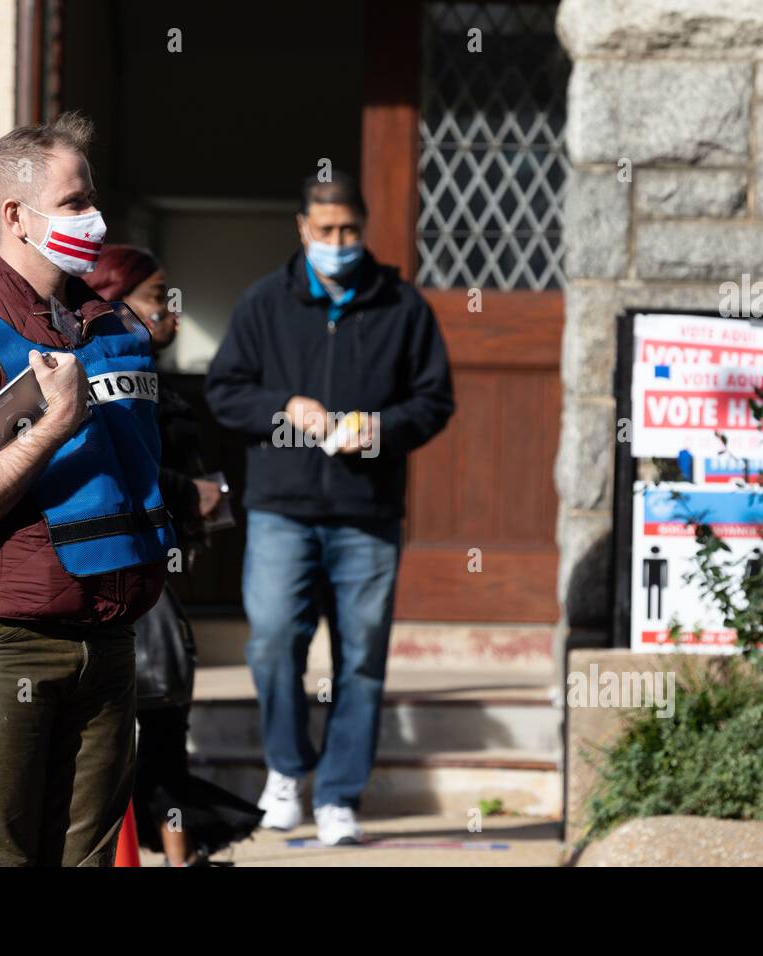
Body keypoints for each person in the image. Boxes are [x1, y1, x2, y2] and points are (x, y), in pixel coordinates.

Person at [0, 112, 173, 866]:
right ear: (17, 216)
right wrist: (47, 431)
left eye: (90, 198)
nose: (95, 217)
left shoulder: (113, 325)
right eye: (76, 202)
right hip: (1, 639)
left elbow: (129, 467)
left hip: (109, 635)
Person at [204, 172, 454, 846]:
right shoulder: (264, 302)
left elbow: (434, 401)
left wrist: (380, 429)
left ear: (363, 229)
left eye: (348, 232)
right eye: (325, 231)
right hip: (283, 507)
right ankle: (286, 771)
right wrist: (284, 406)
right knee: (273, 641)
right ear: (302, 229)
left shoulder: (402, 305)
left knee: (362, 657)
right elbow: (225, 390)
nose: (337, 243)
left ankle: (341, 794)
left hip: (366, 512)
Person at [87, 245, 262, 866]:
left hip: (156, 572)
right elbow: (113, 476)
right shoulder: (102, 383)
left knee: (164, 730)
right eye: (159, 298)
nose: (174, 315)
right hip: (118, 580)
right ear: (113, 300)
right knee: (147, 725)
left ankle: (181, 855)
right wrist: (191, 493)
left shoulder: (152, 383)